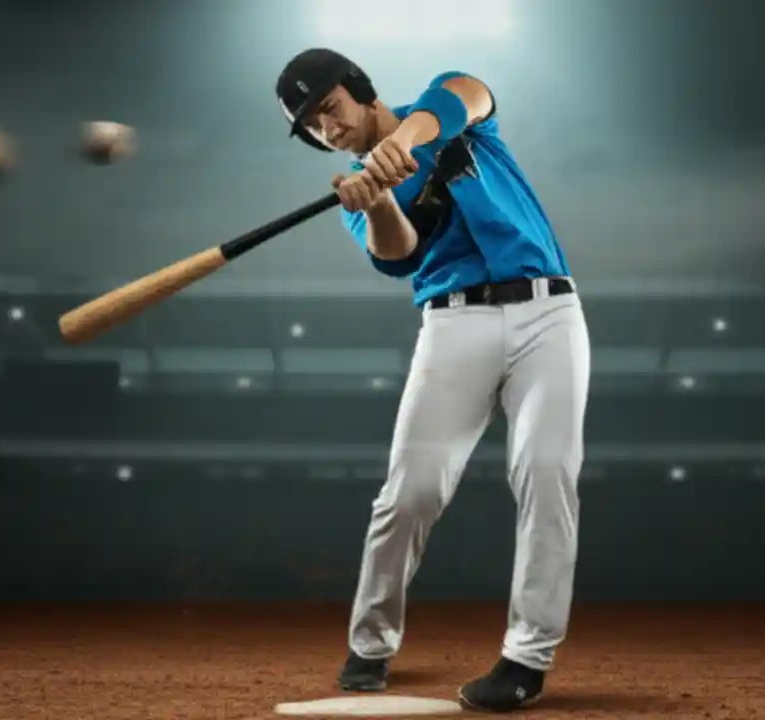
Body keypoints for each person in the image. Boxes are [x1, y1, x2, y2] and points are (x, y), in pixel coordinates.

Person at [275, 48, 591, 713]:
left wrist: (402, 147)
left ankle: (526, 659)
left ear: (360, 91)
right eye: (310, 126)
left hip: (547, 311)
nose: (326, 129)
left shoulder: (447, 104)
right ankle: (370, 643)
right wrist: (382, 192)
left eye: (330, 108)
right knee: (410, 491)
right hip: (453, 324)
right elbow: (398, 259)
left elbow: (461, 100)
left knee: (545, 471)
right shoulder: (354, 192)